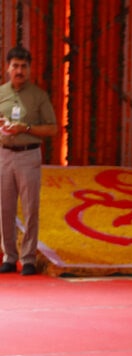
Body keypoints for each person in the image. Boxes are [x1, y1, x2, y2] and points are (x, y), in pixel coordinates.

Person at [0, 45, 57, 275]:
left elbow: (52, 128)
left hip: (29, 154)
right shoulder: (1, 93)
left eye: (24, 66)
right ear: (7, 68)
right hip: (4, 155)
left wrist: (26, 128)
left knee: (31, 207)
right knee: (5, 208)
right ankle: (9, 256)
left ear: (30, 69)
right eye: (15, 66)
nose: (19, 70)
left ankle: (29, 258)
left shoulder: (39, 96)